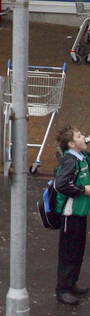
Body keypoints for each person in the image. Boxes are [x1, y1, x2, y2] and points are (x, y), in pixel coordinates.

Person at [54, 124, 90, 305]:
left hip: (81, 213)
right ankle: (63, 289)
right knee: (69, 253)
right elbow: (61, 184)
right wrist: (84, 190)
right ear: (71, 144)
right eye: (79, 136)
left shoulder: (82, 157)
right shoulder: (70, 161)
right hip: (71, 214)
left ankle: (71, 283)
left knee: (77, 251)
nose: (84, 137)